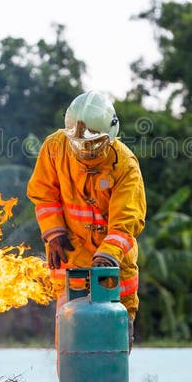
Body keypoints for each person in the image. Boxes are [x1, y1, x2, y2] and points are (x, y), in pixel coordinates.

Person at [27, 90, 146, 348]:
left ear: (111, 135)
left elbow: (127, 221)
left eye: (93, 144)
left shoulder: (125, 166)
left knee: (114, 337)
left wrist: (108, 255)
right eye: (78, 143)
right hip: (72, 260)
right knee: (71, 334)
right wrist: (54, 232)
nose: (85, 150)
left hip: (114, 266)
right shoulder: (54, 147)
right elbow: (43, 194)